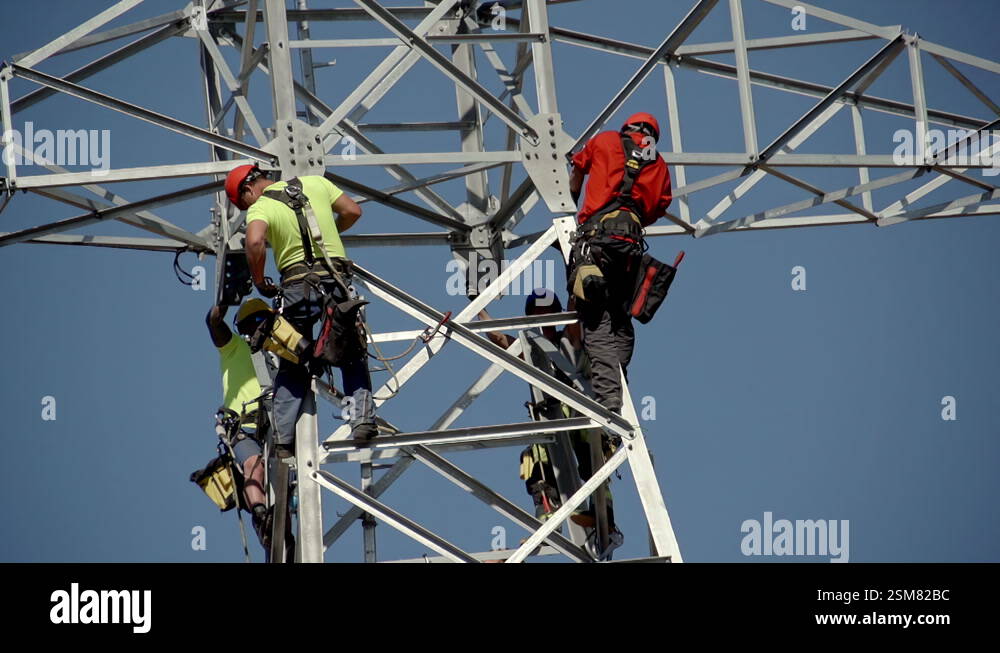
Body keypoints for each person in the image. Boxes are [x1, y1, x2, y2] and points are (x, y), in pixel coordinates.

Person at [224, 165, 378, 452]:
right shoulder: (317, 183)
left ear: (248, 189)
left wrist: (259, 280)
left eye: (243, 203)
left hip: (297, 288)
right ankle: (362, 422)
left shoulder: (262, 207)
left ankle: (283, 441)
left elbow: (255, 241)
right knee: (351, 352)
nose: (248, 207)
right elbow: (352, 212)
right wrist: (331, 231)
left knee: (293, 359)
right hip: (336, 282)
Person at [479, 288, 621, 555]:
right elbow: (498, 337)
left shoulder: (569, 338)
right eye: (537, 313)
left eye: (548, 313)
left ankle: (605, 520)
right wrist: (478, 303)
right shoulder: (529, 347)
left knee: (592, 464)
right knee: (538, 469)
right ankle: (546, 527)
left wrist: (574, 289)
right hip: (547, 419)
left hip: (579, 414)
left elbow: (575, 319)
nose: (543, 318)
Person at [568, 112, 672, 414]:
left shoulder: (606, 140)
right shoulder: (658, 162)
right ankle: (618, 380)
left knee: (596, 319)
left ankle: (609, 398)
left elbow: (577, 168)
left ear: (628, 127)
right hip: (630, 249)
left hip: (597, 242)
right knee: (621, 320)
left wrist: (571, 204)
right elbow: (659, 206)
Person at [205, 303, 270, 550]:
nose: (259, 328)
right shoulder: (234, 347)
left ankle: (282, 536)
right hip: (244, 426)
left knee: (283, 485)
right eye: (253, 323)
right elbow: (213, 323)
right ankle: (261, 514)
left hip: (277, 429)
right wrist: (221, 304)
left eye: (263, 320)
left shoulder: (279, 355)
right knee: (253, 464)